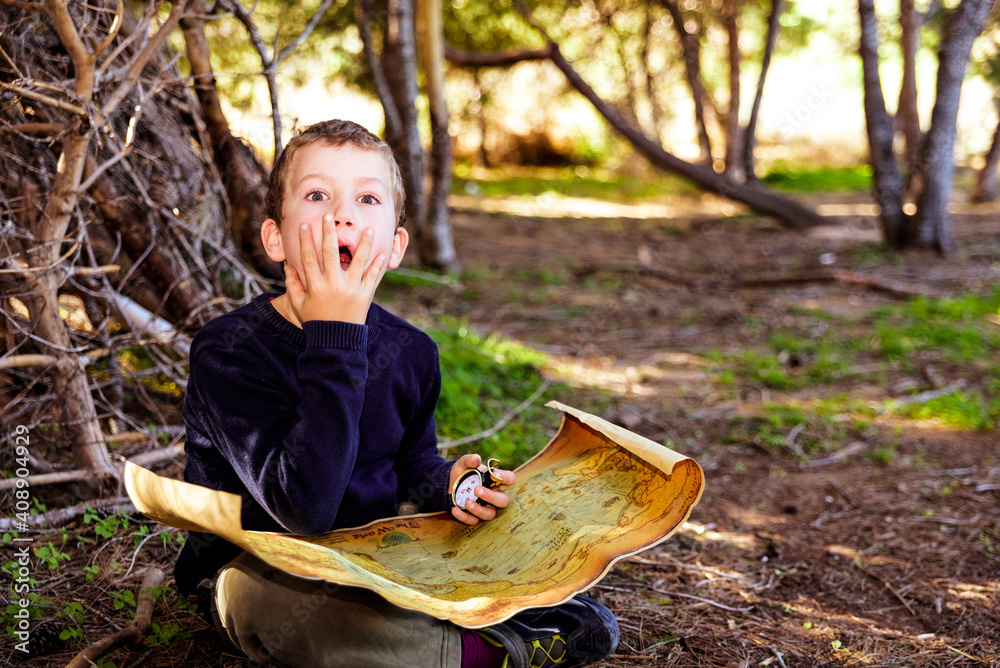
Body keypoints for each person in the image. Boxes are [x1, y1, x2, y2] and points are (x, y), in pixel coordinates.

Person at [173, 119, 619, 668]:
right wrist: (334, 334)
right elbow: (304, 510)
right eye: (317, 195)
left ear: (395, 246)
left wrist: (451, 485)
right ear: (275, 239)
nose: (342, 214)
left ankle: (460, 628)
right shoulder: (228, 351)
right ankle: (484, 653)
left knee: (504, 566)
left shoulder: (410, 351)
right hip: (262, 562)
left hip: (377, 556)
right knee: (274, 606)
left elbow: (411, 465)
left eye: (366, 198)